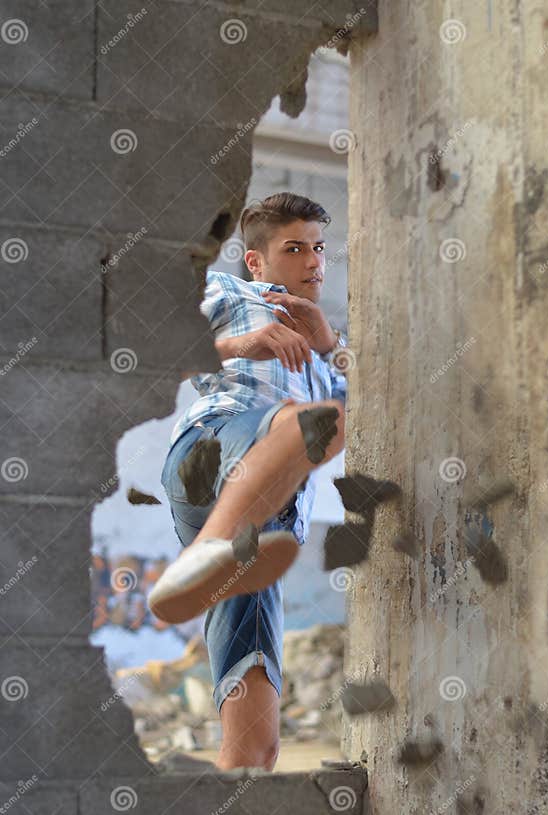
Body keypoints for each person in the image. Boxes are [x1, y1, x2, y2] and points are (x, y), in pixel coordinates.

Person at [148, 192, 348, 771]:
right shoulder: (230, 292)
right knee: (311, 423)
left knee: (257, 746)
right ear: (257, 261)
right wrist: (245, 343)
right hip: (213, 450)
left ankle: (231, 792)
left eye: (319, 249)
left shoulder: (330, 346)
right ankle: (208, 551)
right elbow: (158, 357)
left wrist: (329, 345)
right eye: (294, 249)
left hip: (266, 526)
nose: (313, 262)